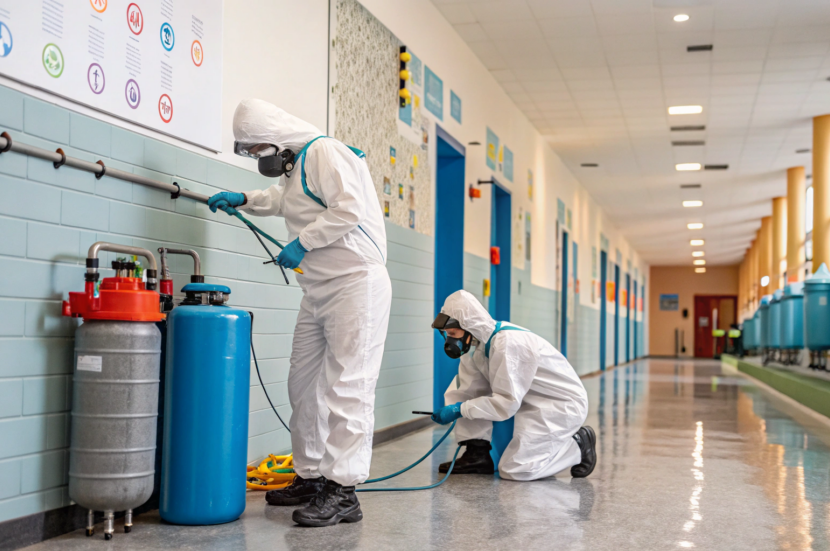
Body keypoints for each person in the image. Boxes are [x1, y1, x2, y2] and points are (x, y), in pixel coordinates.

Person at [208, 99, 391, 527]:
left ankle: (342, 490)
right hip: (318, 289)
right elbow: (284, 200)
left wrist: (303, 242)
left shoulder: (325, 151)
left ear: (276, 138)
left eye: (257, 150)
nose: (258, 158)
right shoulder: (298, 165)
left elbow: (349, 209)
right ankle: (310, 475)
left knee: (348, 385)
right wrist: (246, 198)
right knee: (304, 383)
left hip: (355, 284)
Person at [429, 290, 596, 481]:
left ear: (468, 325)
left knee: (517, 469)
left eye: (452, 333)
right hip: (528, 400)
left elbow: (506, 403)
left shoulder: (509, 344)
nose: (450, 340)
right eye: (446, 334)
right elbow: (469, 391)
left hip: (559, 405)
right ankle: (477, 454)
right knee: (463, 390)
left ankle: (578, 444)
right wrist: (461, 405)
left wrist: (460, 409)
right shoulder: (476, 345)